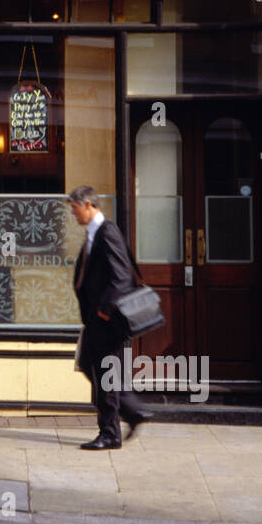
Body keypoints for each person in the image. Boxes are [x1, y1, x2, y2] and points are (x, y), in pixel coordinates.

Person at [70, 186, 150, 449]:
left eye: (75, 207)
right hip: (95, 321)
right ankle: (131, 410)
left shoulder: (108, 232)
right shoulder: (94, 234)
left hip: (107, 321)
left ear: (90, 204)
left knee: (105, 376)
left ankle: (110, 433)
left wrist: (104, 310)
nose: (73, 213)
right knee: (89, 366)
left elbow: (122, 277)